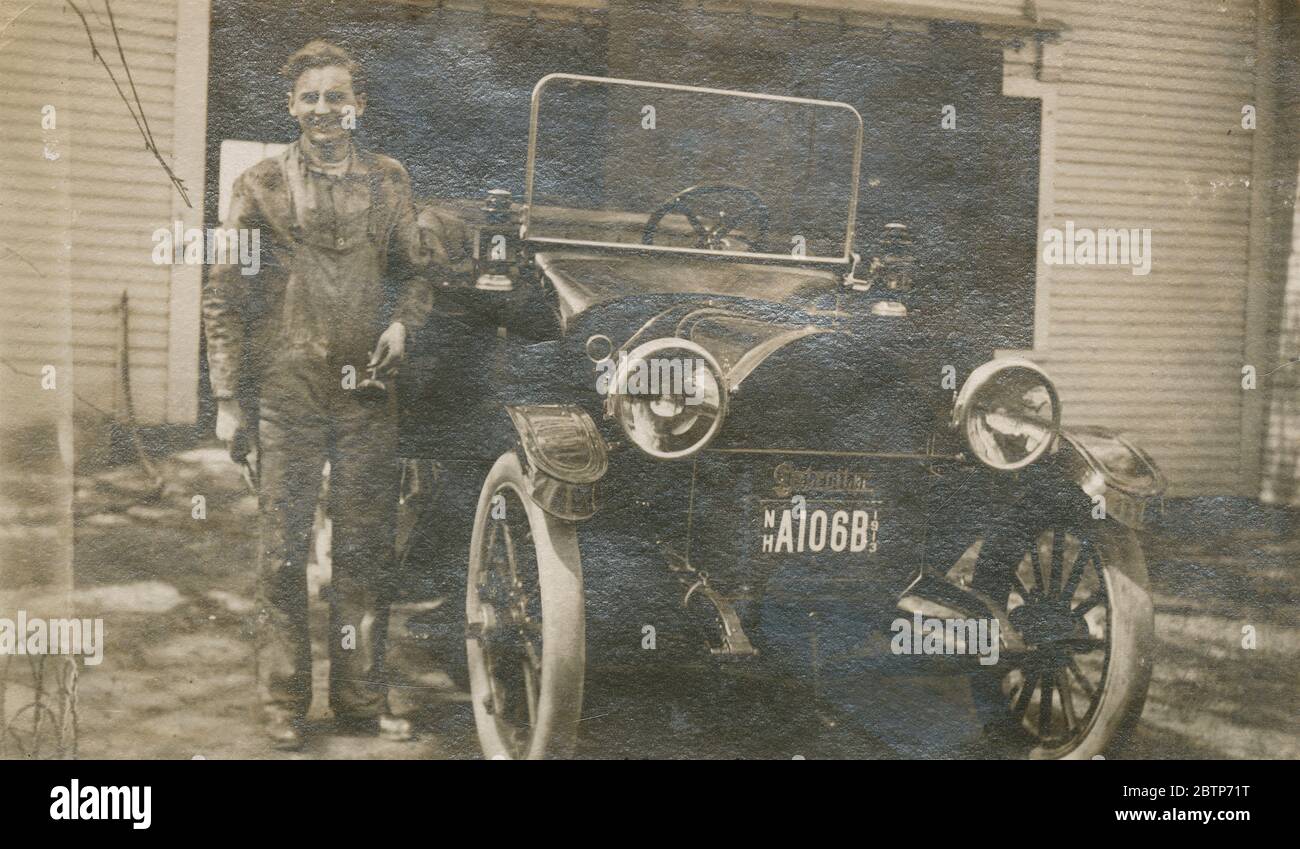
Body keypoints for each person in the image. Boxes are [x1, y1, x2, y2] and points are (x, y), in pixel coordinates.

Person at [202, 39, 435, 750]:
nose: (324, 109)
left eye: (338, 96)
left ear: (358, 106)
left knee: (363, 551)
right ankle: (283, 701)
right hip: (286, 388)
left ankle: (363, 699)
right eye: (311, 97)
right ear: (290, 105)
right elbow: (224, 294)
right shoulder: (260, 183)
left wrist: (402, 323)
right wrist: (227, 398)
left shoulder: (390, 181)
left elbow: (418, 275)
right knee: (282, 550)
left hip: (366, 388)